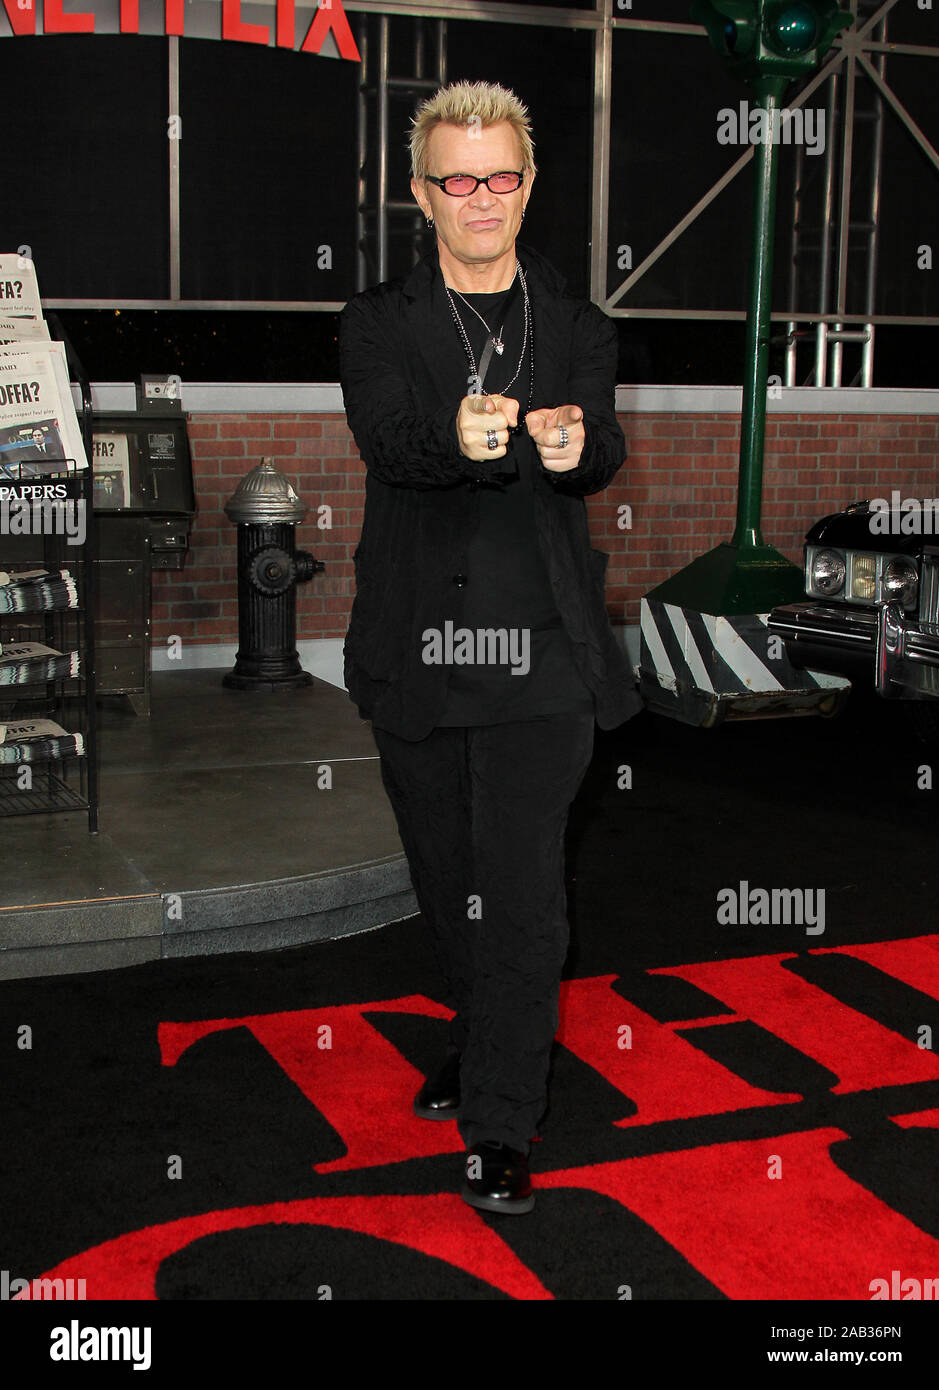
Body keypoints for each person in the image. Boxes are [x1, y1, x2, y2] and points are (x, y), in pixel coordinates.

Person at [338, 79, 642, 1214]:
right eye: (458, 179)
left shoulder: (575, 326)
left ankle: (502, 1118)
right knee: (448, 881)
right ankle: (480, 1034)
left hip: (545, 658)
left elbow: (604, 442)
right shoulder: (378, 322)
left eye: (501, 176)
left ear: (526, 185)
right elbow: (390, 439)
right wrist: (453, 439)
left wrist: (574, 444)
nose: (482, 197)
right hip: (417, 649)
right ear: (423, 194)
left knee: (521, 894)